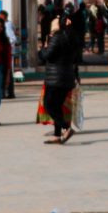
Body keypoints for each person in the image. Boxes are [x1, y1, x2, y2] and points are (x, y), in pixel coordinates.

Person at [35, 8, 85, 143]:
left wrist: (43, 48)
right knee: (58, 106)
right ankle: (58, 135)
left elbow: (47, 56)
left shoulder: (57, 37)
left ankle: (66, 127)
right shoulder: (73, 37)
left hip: (55, 78)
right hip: (68, 77)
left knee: (49, 105)